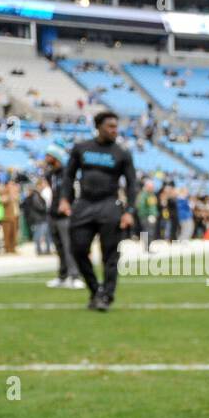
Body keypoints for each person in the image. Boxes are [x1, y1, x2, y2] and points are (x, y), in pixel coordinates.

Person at [58, 110, 138, 311]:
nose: (114, 130)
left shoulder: (122, 153)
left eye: (116, 126)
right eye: (110, 126)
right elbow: (68, 176)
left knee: (110, 255)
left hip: (109, 205)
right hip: (84, 204)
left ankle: (106, 296)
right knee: (78, 249)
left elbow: (131, 184)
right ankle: (95, 290)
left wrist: (129, 211)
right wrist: (65, 199)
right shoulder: (81, 148)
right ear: (98, 127)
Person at [43, 145, 81, 289]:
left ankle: (75, 276)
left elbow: (76, 193)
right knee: (59, 247)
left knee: (69, 246)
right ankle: (62, 276)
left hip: (66, 215)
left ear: (56, 157)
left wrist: (73, 210)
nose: (46, 158)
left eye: (49, 155)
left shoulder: (68, 174)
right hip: (53, 215)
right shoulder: (51, 174)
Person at [23, 176, 51, 256]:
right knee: (39, 234)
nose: (42, 186)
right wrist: (46, 209)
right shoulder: (36, 195)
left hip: (39, 217)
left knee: (44, 234)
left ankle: (45, 250)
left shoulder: (37, 194)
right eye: (41, 185)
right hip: (39, 217)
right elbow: (39, 206)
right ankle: (39, 250)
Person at [0, 175, 20, 255]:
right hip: (7, 217)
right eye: (11, 185)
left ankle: (13, 248)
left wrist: (15, 195)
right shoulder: (4, 193)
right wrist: (9, 197)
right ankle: (7, 248)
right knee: (7, 233)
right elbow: (2, 201)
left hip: (15, 216)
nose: (13, 186)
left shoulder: (16, 194)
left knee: (14, 233)